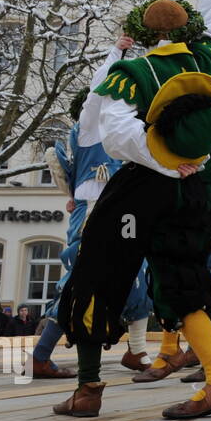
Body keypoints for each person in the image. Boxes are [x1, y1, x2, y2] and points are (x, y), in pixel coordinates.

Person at [53, 0, 211, 419]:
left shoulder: (131, 70)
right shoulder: (207, 60)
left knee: (98, 274)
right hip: (201, 186)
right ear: (188, 29)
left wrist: (164, 162)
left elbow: (116, 135)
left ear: (140, 33)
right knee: (185, 280)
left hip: (146, 187)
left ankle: (88, 389)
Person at [38, 46, 157, 380]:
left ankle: (137, 350)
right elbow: (99, 87)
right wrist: (118, 53)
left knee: (137, 273)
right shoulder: (92, 123)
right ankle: (40, 354)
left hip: (123, 208)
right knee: (79, 279)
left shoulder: (125, 124)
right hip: (96, 207)